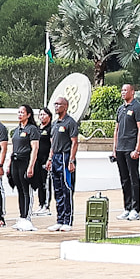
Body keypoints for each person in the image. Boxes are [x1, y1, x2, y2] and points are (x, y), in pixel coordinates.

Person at [113, 82, 140, 221]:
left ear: (132, 92)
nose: (123, 92)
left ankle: (135, 209)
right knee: (124, 179)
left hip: (131, 148)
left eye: (125, 90)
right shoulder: (121, 109)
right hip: (120, 148)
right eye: (122, 90)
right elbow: (117, 129)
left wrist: (137, 149)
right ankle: (126, 208)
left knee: (134, 179)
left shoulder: (137, 107)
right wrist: (114, 148)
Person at [49, 95, 79, 232]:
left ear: (65, 107)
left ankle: (68, 220)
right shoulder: (55, 123)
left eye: (58, 104)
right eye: (55, 104)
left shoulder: (70, 122)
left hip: (65, 157)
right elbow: (52, 143)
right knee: (57, 190)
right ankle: (59, 219)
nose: (56, 107)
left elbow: (74, 142)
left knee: (67, 188)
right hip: (55, 157)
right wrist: (50, 159)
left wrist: (71, 160)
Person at [11, 107, 42, 230]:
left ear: (28, 115)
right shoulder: (16, 130)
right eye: (18, 112)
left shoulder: (32, 129)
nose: (20, 114)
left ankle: (27, 218)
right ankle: (22, 216)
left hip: (25, 161)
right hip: (15, 161)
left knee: (26, 190)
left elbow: (35, 148)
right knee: (19, 189)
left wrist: (31, 166)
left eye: (22, 112)